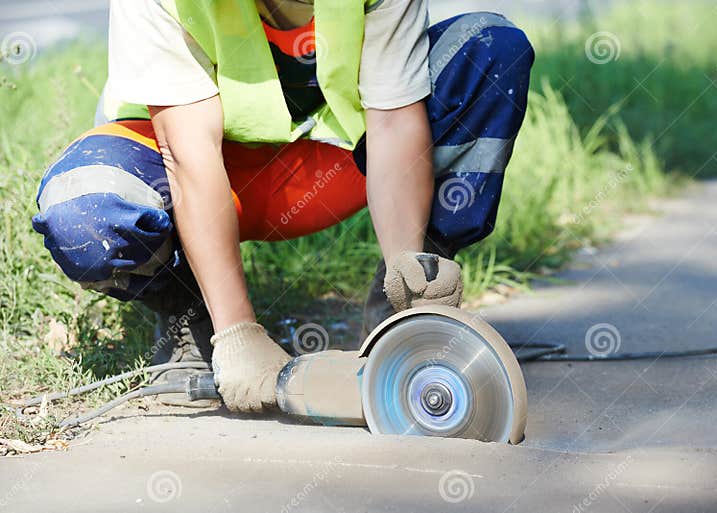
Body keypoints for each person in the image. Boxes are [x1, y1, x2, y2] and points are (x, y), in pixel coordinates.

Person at [32, 0, 534, 412]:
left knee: (491, 51)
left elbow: (395, 122)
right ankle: (191, 317)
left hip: (323, 168)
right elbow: (189, 156)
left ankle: (403, 299)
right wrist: (238, 334)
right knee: (84, 212)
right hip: (177, 178)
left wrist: (408, 275)